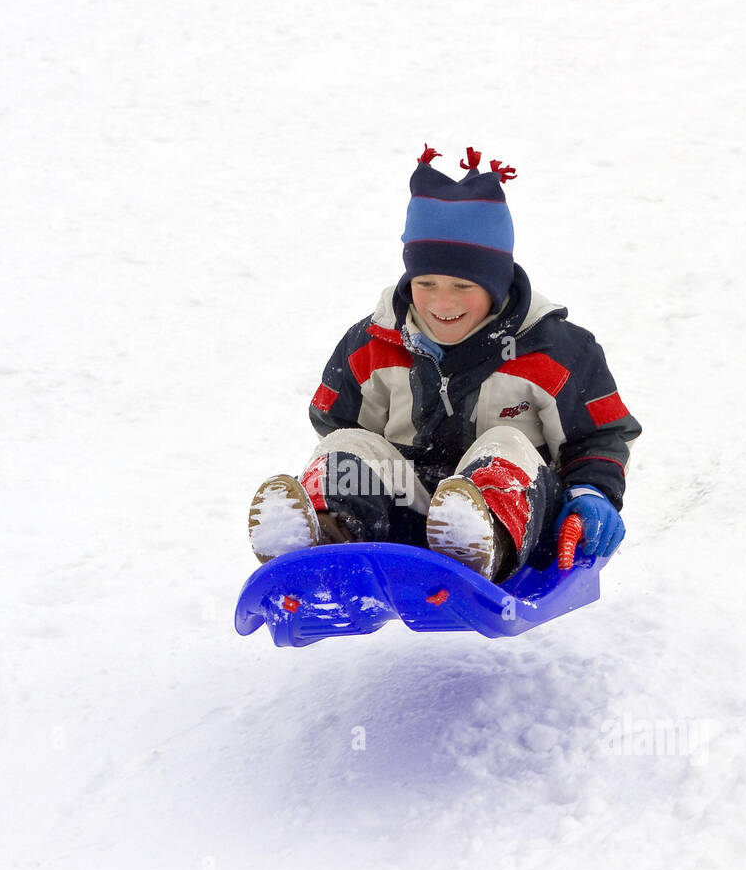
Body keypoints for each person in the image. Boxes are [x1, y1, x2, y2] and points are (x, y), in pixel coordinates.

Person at [248, 145, 642, 583]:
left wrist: (592, 492)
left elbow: (600, 434)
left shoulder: (556, 351)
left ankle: (479, 540)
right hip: (411, 506)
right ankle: (325, 542)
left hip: (521, 516)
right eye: (426, 283)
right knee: (348, 446)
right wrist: (369, 480)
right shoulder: (372, 346)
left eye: (462, 285)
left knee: (505, 442)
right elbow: (333, 419)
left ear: (497, 283)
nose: (442, 302)